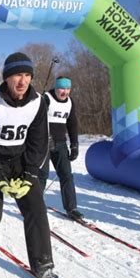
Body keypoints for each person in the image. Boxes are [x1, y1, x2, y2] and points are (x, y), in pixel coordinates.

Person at [0, 52, 62, 278]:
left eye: (28, 75)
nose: (23, 81)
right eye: (18, 75)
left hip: (20, 160)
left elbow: (39, 143)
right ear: (7, 78)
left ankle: (44, 268)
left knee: (37, 209)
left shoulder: (39, 102)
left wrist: (29, 175)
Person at [38, 76, 83, 221]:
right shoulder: (47, 98)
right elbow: (36, 120)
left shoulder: (70, 102)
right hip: (43, 143)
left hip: (60, 143)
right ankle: (34, 207)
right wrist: (46, 136)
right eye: (62, 88)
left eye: (68, 89)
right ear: (56, 88)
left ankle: (72, 208)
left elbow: (72, 123)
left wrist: (74, 144)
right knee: (42, 175)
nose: (65, 92)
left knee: (66, 175)